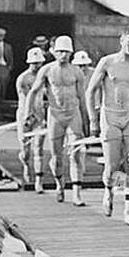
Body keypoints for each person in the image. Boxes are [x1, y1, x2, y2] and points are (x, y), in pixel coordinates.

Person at [86, 26, 129, 225]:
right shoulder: (107, 62)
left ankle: (128, 211)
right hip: (110, 115)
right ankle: (110, 192)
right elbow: (90, 91)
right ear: (121, 40)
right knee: (113, 165)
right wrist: (93, 120)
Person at [29, 35, 89, 205]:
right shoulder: (47, 70)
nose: (63, 55)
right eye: (60, 51)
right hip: (55, 115)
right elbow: (34, 92)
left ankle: (77, 193)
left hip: (73, 114)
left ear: (71, 53)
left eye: (66, 52)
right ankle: (59, 185)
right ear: (54, 52)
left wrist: (88, 122)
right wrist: (28, 112)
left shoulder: (76, 72)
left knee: (76, 153)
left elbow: (82, 98)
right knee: (57, 156)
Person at [15, 47, 49, 191]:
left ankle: (38, 180)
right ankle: (25, 164)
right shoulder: (22, 78)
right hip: (25, 114)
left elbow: (47, 95)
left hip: (39, 114)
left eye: (39, 62)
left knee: (38, 148)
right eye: (34, 63)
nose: (37, 65)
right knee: (25, 148)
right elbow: (25, 98)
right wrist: (28, 116)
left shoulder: (45, 77)